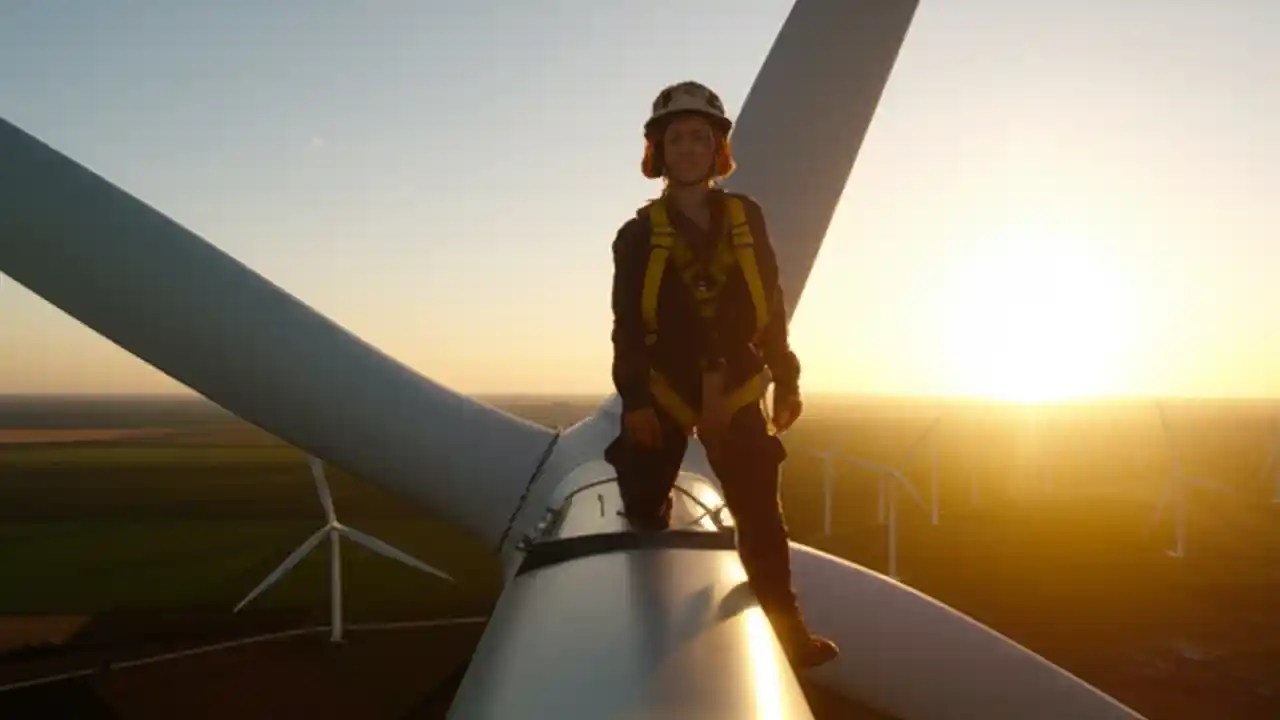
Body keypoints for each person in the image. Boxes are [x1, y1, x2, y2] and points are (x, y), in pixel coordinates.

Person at [604, 80, 838, 669]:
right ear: (659, 150)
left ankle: (788, 633)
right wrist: (635, 402)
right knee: (643, 502)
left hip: (737, 382)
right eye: (676, 138)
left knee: (761, 512)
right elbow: (628, 325)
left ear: (717, 149)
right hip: (665, 389)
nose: (688, 148)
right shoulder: (636, 237)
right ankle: (644, 623)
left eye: (699, 138)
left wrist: (787, 375)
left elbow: (772, 302)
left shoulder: (745, 217)